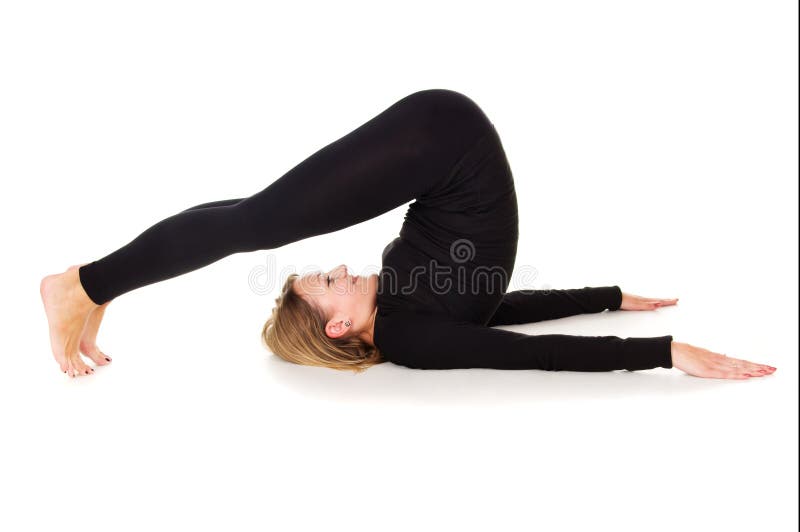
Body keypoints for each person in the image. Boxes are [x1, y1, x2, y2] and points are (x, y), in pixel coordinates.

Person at [40, 88, 777, 380]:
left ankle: (95, 283)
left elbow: (492, 314)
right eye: (326, 281)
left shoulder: (407, 313)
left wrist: (611, 296)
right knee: (256, 220)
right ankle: (84, 285)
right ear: (339, 324)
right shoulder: (416, 340)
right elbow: (517, 344)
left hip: (442, 146)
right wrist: (662, 350)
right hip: (441, 141)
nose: (334, 267)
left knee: (256, 213)